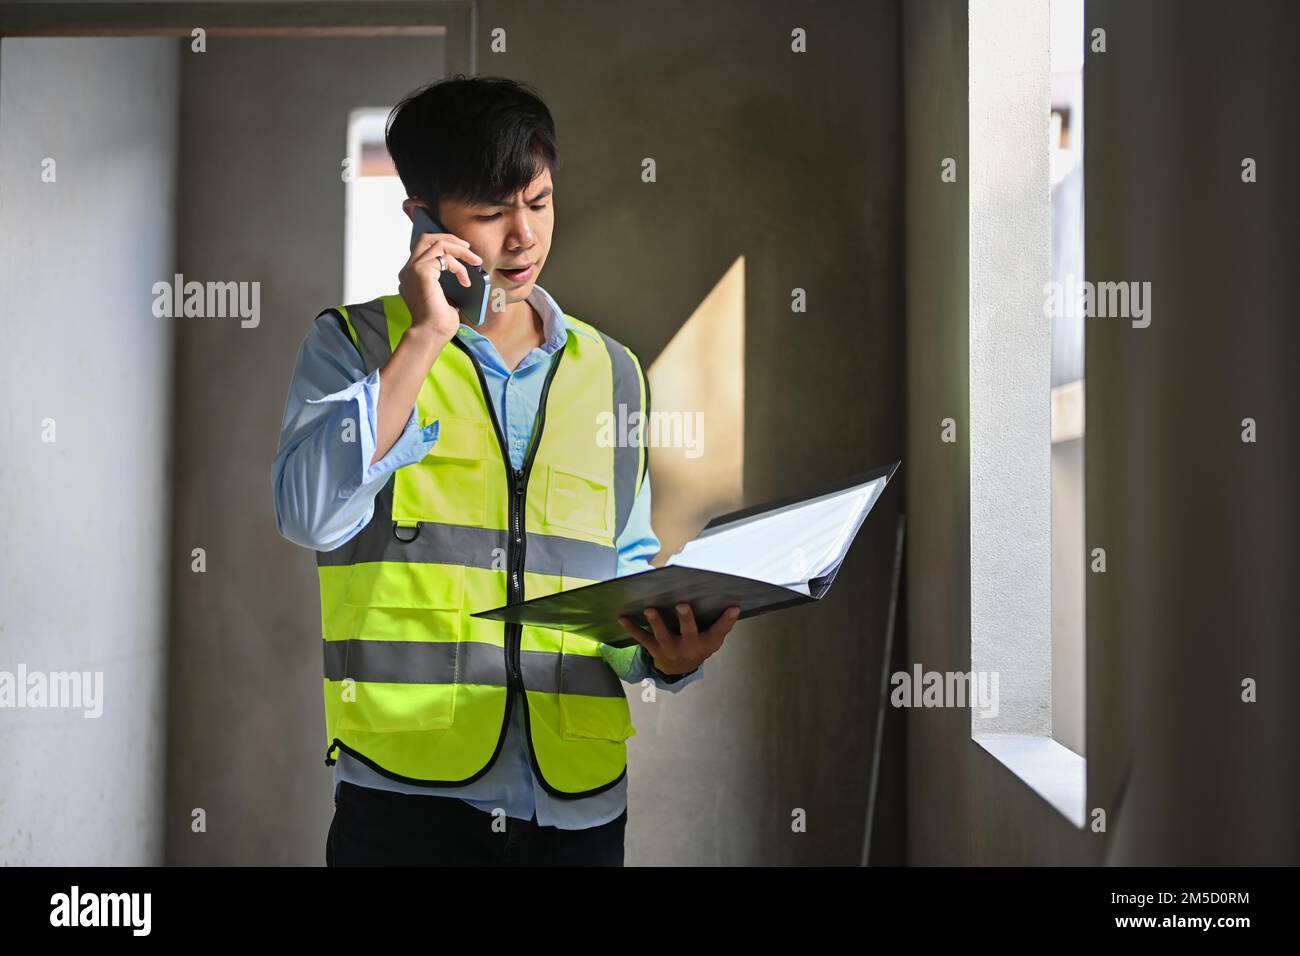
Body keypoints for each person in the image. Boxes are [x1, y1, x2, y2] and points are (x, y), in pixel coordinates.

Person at [271, 74, 740, 866]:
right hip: (408, 797)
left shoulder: (614, 371)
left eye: (540, 200)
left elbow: (620, 569)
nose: (523, 236)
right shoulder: (355, 348)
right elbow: (308, 515)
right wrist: (424, 338)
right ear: (424, 221)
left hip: (579, 803)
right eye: (491, 213)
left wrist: (666, 654)